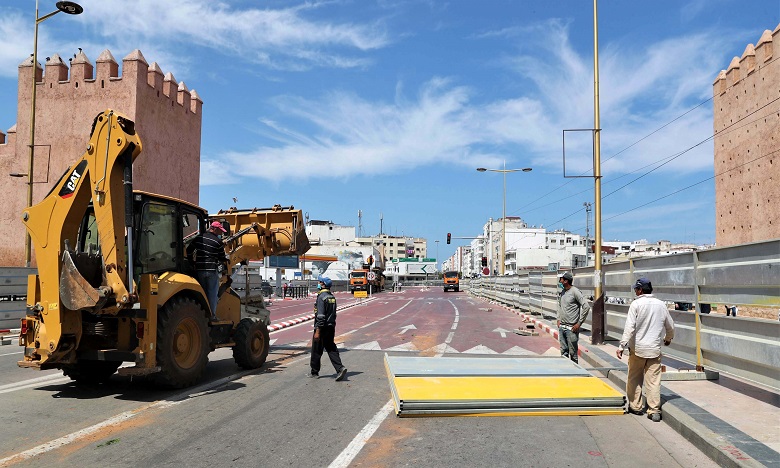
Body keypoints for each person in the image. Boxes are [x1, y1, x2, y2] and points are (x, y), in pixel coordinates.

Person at [616, 277, 675, 422]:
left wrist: (621, 345)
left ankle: (636, 407)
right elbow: (670, 326)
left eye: (636, 289)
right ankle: (654, 411)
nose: (635, 291)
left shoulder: (636, 304)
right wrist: (668, 339)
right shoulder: (661, 305)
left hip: (638, 350)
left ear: (641, 290)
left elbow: (629, 327)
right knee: (654, 381)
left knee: (634, 378)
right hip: (654, 349)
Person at [307, 277, 347, 381]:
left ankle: (314, 372)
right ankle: (340, 368)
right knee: (331, 347)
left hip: (322, 327)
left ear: (323, 284)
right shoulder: (332, 297)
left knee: (316, 349)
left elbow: (320, 316)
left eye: (319, 282)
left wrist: (317, 331)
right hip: (331, 326)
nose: (318, 283)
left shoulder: (321, 297)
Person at [187, 220, 228, 321]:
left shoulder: (199, 238)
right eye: (220, 231)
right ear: (214, 229)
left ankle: (201, 314)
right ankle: (211, 316)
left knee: (203, 294)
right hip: (211, 271)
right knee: (212, 294)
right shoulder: (218, 242)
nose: (221, 233)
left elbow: (189, 250)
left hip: (199, 271)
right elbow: (222, 258)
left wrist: (192, 262)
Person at [556, 271, 590, 364]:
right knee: (563, 352)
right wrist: (558, 319)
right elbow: (559, 305)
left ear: (566, 281)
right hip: (562, 327)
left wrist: (579, 323)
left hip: (571, 329)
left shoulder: (575, 292)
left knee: (573, 353)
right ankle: (566, 372)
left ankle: (575, 374)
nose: (560, 281)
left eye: (561, 279)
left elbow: (586, 306)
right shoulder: (563, 292)